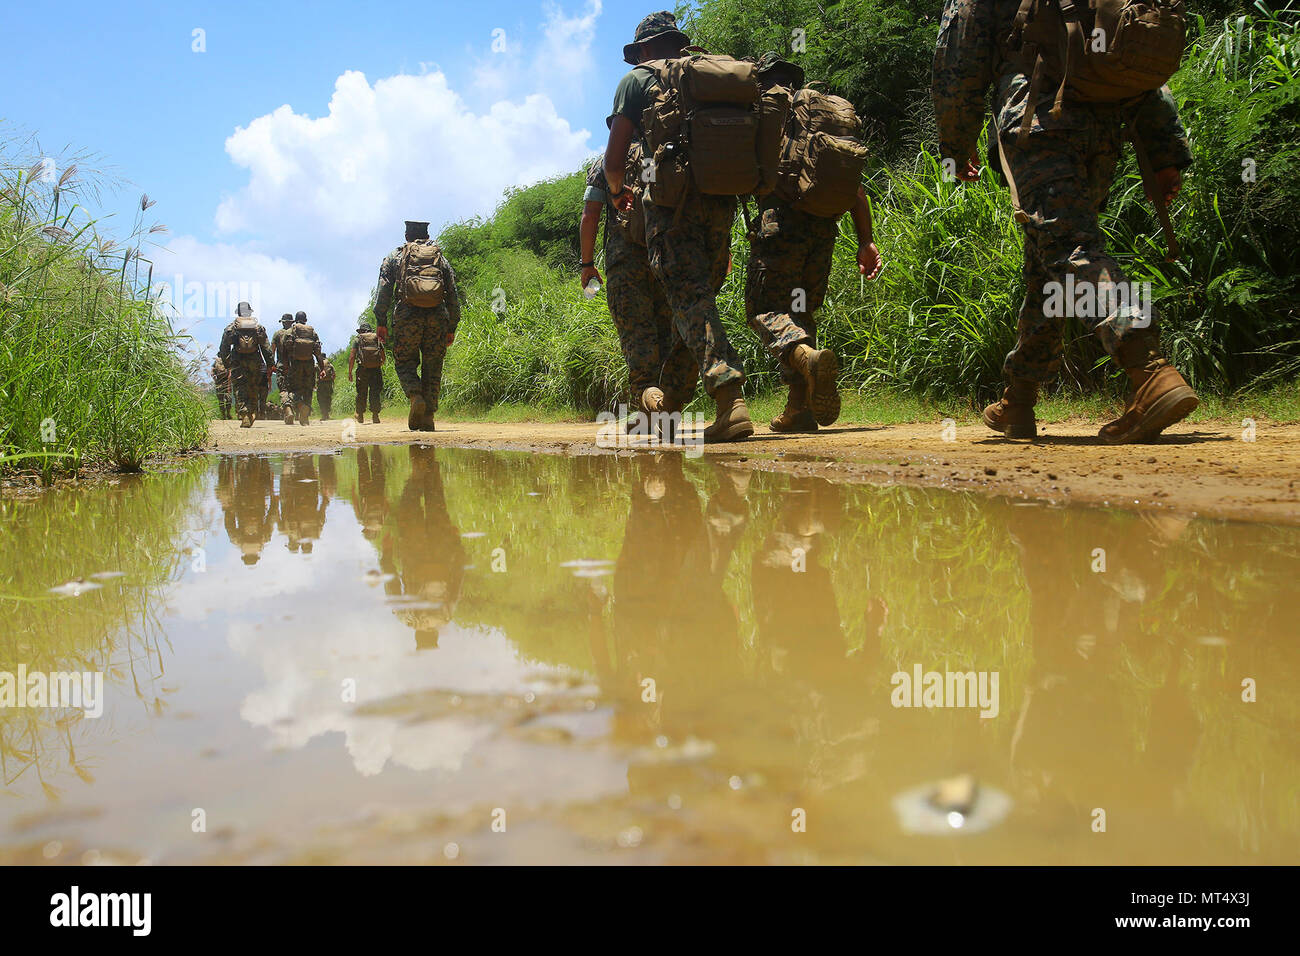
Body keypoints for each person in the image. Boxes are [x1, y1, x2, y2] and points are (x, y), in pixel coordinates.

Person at [933, 0, 1198, 443]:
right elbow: (1131, 56)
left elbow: (957, 61)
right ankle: (1019, 397)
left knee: (1067, 250)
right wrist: (1164, 150)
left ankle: (1148, 369)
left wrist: (955, 144)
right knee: (1050, 261)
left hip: (1037, 119)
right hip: (1103, 128)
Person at [602, 11, 752, 442]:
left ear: (645, 49)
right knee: (696, 301)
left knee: (690, 304)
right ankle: (667, 403)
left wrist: (617, 192)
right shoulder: (712, 73)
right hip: (722, 202)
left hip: (671, 207)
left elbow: (616, 161)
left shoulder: (638, 80)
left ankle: (730, 399)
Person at [580, 141, 697, 425]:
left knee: (637, 337)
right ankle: (658, 409)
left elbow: (591, 213)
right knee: (665, 334)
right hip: (666, 256)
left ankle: (656, 408)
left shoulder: (607, 162)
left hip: (626, 262)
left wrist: (586, 264)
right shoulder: (669, 154)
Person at [372, 221, 461, 432]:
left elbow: (383, 289)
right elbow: (453, 293)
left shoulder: (395, 256)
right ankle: (428, 416)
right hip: (437, 318)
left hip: (407, 316)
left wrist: (381, 321)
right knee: (433, 365)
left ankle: (415, 396)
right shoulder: (440, 258)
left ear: (406, 235)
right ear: (427, 234)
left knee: (404, 361)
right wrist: (452, 326)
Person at [216, 301, 273, 428]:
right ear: (249, 312)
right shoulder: (258, 328)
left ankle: (244, 413)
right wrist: (270, 364)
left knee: (240, 388)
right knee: (253, 387)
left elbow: (223, 347)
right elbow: (266, 348)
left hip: (238, 360)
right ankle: (251, 411)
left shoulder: (231, 328)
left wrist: (227, 364)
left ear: (239, 313)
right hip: (255, 360)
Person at [284, 311, 325, 425]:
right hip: (309, 365)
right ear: (305, 320)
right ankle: (305, 417)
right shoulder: (312, 332)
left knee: (293, 389)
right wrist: (322, 369)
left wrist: (286, 366)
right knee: (308, 390)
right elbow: (318, 352)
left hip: (295, 364)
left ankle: (300, 405)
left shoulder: (291, 331)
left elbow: (285, 350)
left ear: (296, 320)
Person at [349, 321, 386, 424]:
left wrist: (350, 372)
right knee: (375, 391)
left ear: (361, 330)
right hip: (376, 368)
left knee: (361, 392)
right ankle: (375, 416)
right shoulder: (376, 338)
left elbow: (352, 356)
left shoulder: (358, 339)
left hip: (362, 369)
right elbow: (383, 354)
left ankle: (360, 415)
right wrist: (381, 362)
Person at [271, 312, 295, 414]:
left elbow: (272, 351)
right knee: (293, 388)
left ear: (283, 322)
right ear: (291, 322)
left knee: (283, 389)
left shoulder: (277, 334)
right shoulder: (296, 333)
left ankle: (288, 408)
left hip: (281, 366)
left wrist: (271, 365)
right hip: (295, 366)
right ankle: (299, 407)